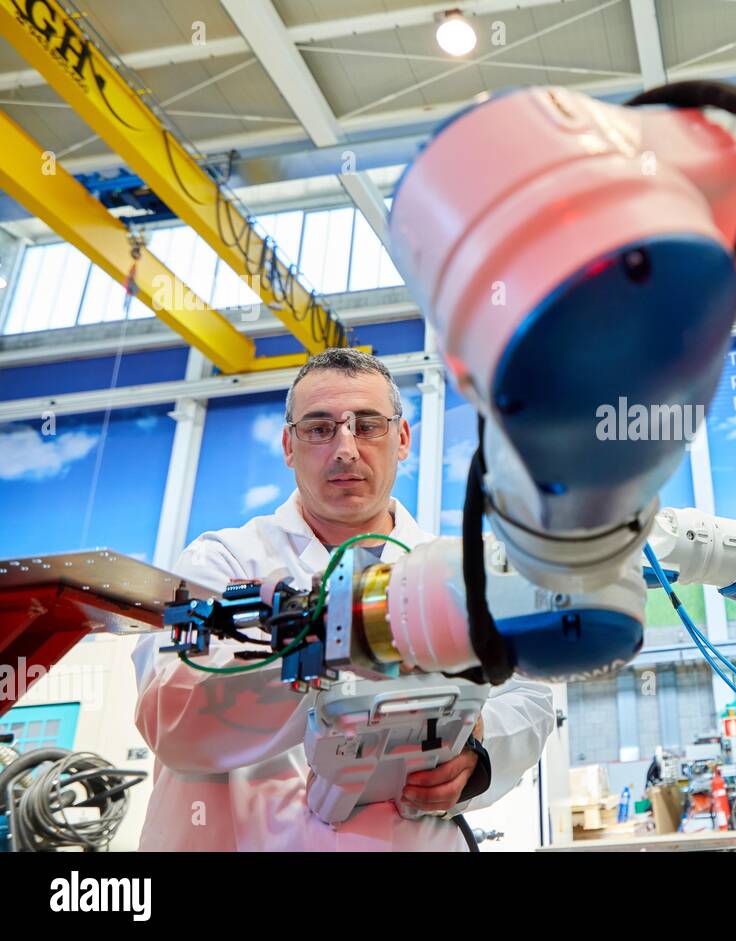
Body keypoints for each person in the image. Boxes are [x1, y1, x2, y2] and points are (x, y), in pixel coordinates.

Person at [132, 348, 555, 851]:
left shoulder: (460, 570)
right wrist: (341, 636)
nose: (346, 449)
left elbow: (531, 697)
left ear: (401, 439)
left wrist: (478, 756)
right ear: (289, 445)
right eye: (319, 428)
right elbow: (171, 712)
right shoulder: (221, 562)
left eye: (368, 425)